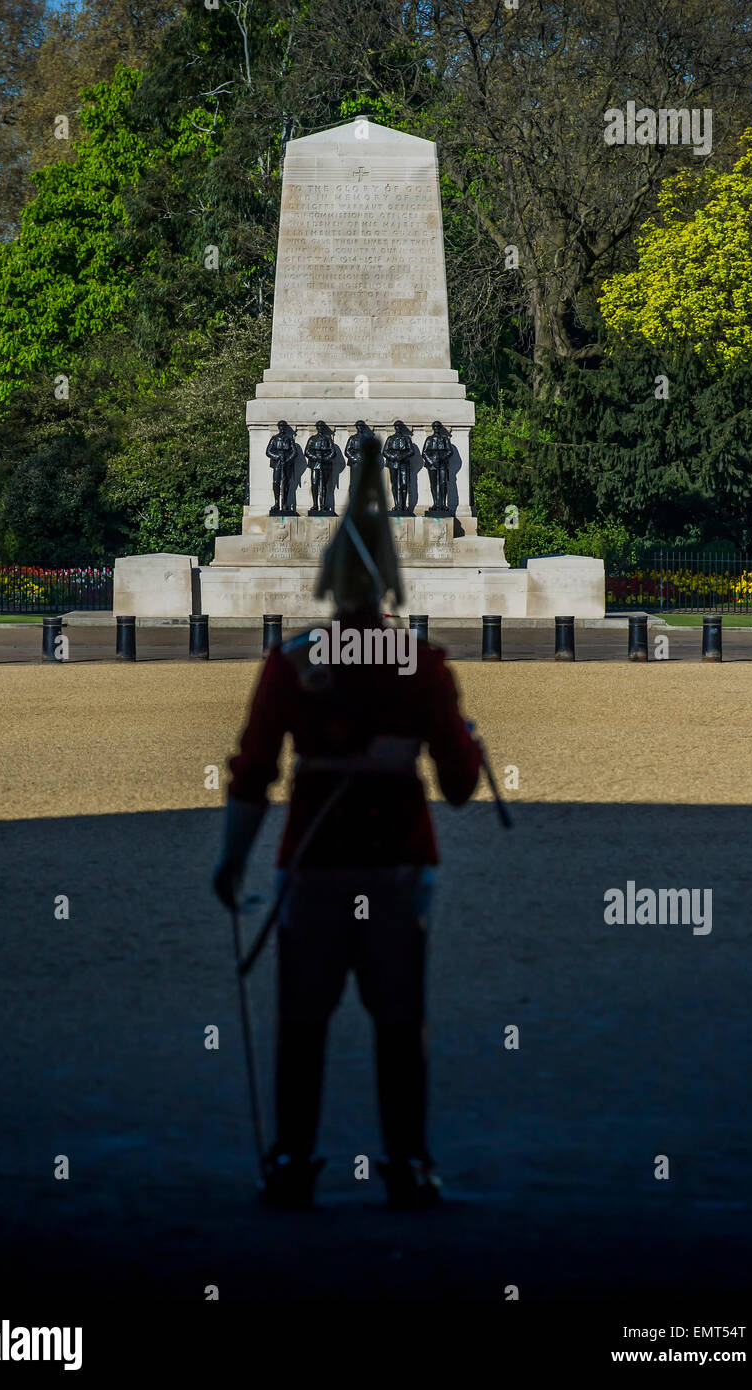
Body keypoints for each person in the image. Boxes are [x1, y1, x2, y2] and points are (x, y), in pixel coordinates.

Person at [213, 435, 481, 1210]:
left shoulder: (291, 662)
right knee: (401, 1025)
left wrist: (232, 862)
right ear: (389, 586)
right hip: (398, 860)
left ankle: (294, 1159)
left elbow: (252, 771)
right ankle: (408, 1164)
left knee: (303, 1023)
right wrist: (464, 744)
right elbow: (459, 789)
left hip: (315, 862)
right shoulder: (422, 664)